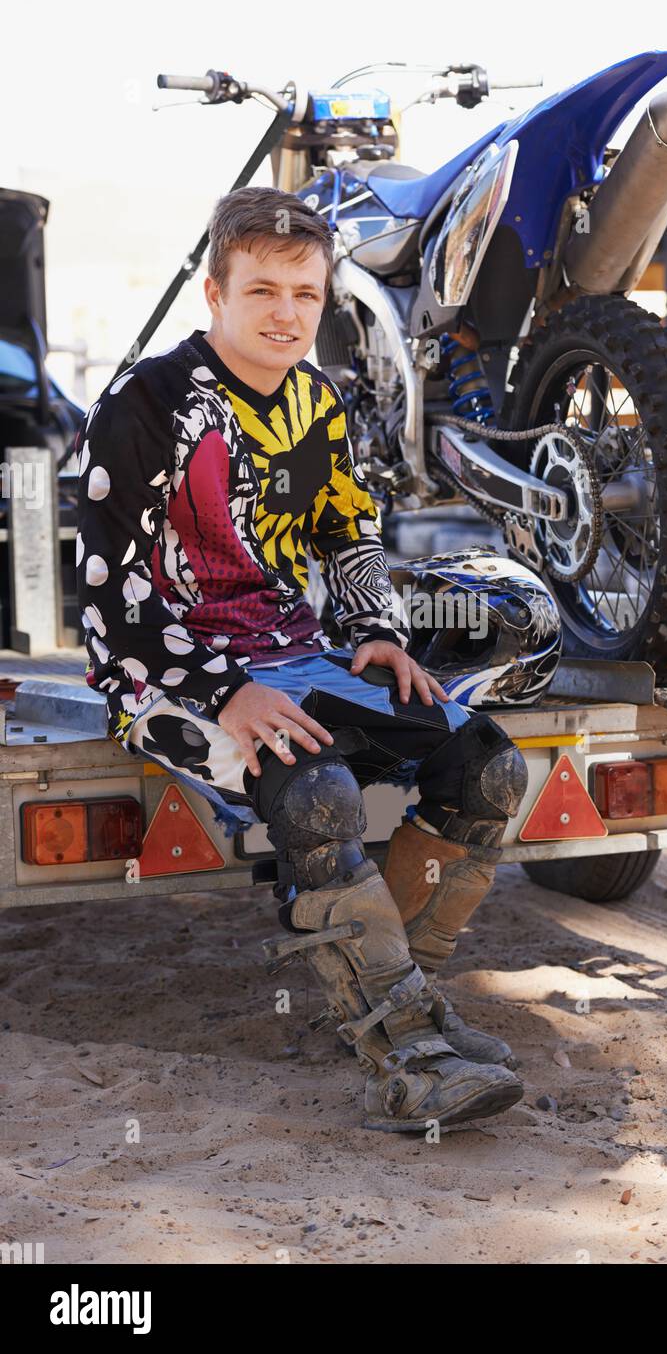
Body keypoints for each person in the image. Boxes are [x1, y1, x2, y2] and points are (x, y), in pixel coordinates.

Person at [76, 186, 528, 1132]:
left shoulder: (319, 399)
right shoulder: (146, 402)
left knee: (488, 766)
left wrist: (377, 630)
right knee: (316, 796)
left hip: (298, 652)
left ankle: (409, 1007)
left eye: (306, 295)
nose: (286, 314)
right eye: (263, 291)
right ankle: (403, 1054)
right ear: (215, 292)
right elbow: (108, 595)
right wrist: (223, 692)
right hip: (168, 672)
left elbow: (349, 528)